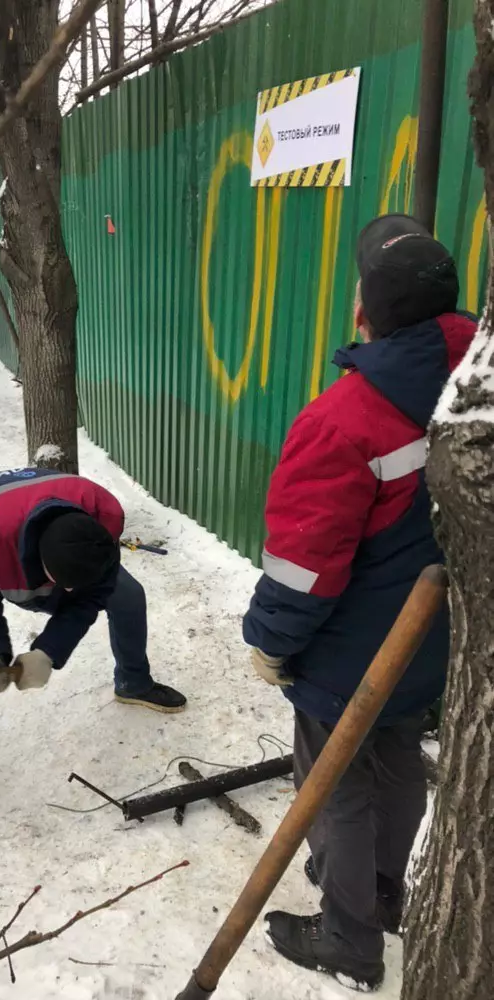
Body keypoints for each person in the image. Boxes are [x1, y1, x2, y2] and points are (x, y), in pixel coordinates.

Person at [242, 215, 475, 990]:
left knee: (339, 784)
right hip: (432, 642)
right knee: (400, 757)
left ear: (365, 312)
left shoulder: (343, 420)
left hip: (350, 654)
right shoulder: (476, 384)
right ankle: (382, 892)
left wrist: (271, 642)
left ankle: (348, 938)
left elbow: (305, 568)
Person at [0, 466, 187, 850]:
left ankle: (133, 682)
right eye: (62, 587)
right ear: (45, 573)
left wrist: (48, 651)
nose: (65, 594)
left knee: (128, 595)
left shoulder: (102, 521)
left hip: (52, 539)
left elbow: (91, 596)